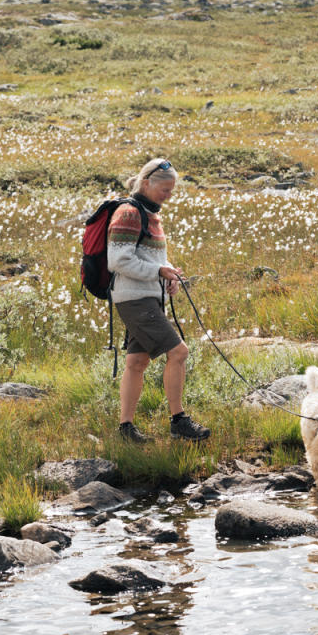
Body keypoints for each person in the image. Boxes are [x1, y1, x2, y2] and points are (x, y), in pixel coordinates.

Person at [107, 158, 209, 443]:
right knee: (179, 352)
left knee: (137, 361)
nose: (168, 195)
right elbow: (118, 260)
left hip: (145, 298)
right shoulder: (128, 213)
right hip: (134, 300)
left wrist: (167, 276)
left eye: (171, 189)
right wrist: (158, 272)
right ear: (147, 183)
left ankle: (126, 429)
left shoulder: (149, 214)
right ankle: (179, 421)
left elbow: (151, 258)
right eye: (164, 189)